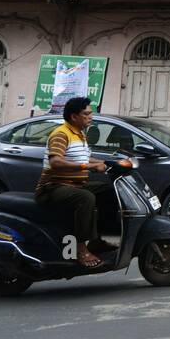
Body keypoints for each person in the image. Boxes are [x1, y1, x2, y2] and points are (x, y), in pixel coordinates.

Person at [35, 97, 118, 269]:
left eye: (90, 114)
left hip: (74, 184)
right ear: (74, 117)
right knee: (85, 198)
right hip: (52, 187)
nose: (91, 117)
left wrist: (108, 163)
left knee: (108, 192)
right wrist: (87, 166)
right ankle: (80, 249)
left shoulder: (79, 134)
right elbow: (56, 162)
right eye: (86, 114)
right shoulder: (61, 134)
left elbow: (84, 157)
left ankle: (96, 241)